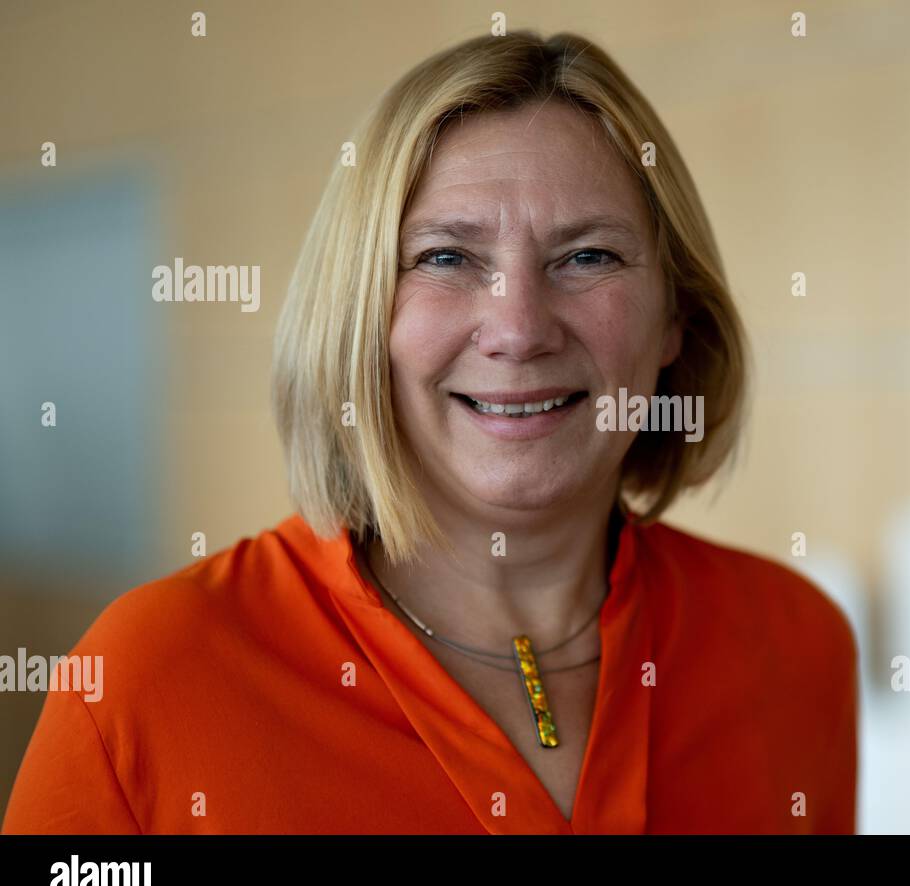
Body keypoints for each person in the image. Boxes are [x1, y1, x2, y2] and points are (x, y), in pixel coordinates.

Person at [3, 30, 858, 834]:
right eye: (446, 257)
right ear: (359, 314)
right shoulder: (150, 679)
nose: (519, 328)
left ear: (674, 316)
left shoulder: (794, 646)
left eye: (588, 256)